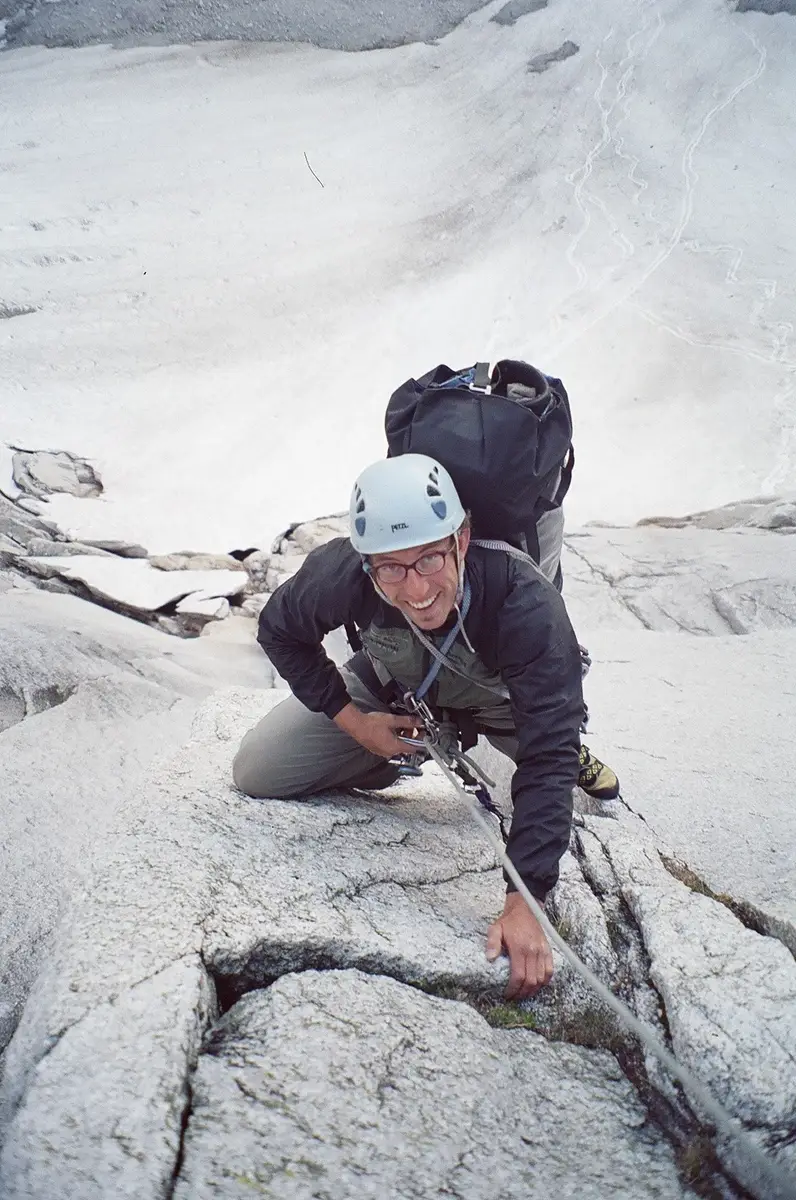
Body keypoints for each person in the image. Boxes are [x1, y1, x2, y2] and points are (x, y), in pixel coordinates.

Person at [233, 453, 619, 1000]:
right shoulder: (345, 573)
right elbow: (279, 629)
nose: (414, 590)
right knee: (257, 769)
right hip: (401, 689)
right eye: (390, 568)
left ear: (461, 539)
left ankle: (535, 744)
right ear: (367, 564)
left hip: (505, 704)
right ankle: (384, 758)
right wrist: (357, 723)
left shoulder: (523, 598)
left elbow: (546, 755)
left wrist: (525, 900)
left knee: (546, 759)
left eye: (429, 560)